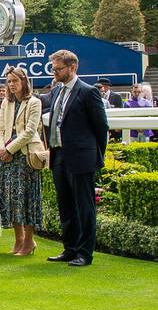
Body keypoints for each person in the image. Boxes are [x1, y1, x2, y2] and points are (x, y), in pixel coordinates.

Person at [44, 49, 109, 266]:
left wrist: (96, 155)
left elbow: (101, 127)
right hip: (59, 154)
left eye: (58, 68)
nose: (55, 72)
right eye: (53, 68)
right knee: (66, 205)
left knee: (84, 207)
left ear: (72, 68)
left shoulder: (88, 92)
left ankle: (84, 253)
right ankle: (70, 248)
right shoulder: (57, 92)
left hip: (82, 158)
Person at [0, 67, 46, 257]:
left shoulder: (34, 102)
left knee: (27, 199)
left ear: (24, 82)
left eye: (15, 81)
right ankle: (18, 240)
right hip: (7, 158)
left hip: (26, 156)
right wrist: (2, 149)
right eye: (9, 81)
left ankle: (29, 240)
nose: (12, 85)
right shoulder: (6, 103)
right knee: (10, 198)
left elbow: (30, 131)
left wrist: (9, 149)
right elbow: (0, 129)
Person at [97, 78, 124, 143]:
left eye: (104, 86)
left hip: (114, 127)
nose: (103, 88)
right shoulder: (96, 96)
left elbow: (120, 111)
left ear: (108, 86)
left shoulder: (117, 96)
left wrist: (119, 125)